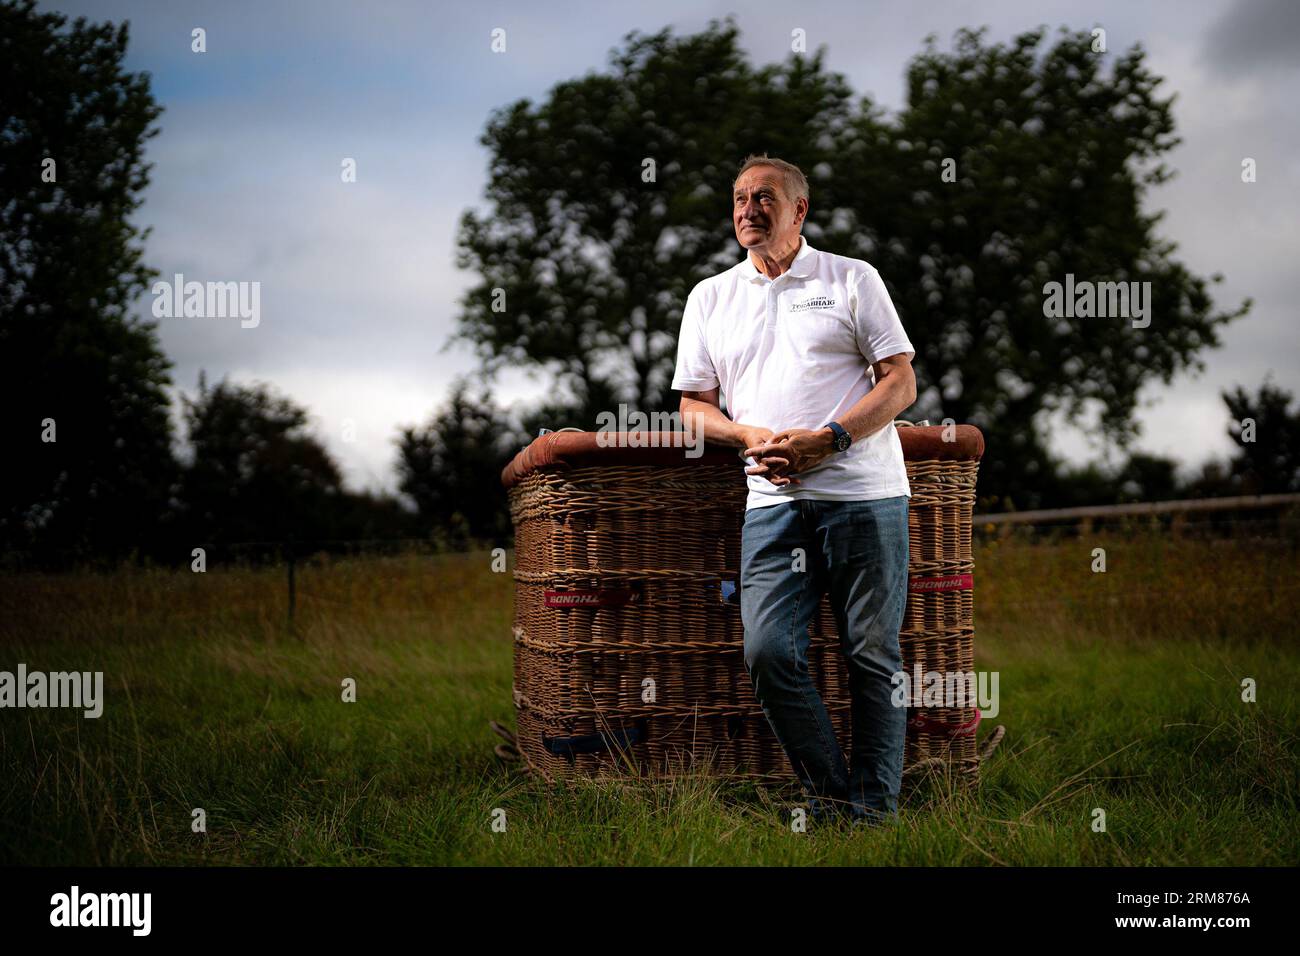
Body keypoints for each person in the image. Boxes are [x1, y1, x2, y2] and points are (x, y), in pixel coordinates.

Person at [671, 154, 917, 825]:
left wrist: (830, 439)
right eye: (740, 198)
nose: (749, 209)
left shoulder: (851, 279)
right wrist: (748, 435)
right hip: (772, 505)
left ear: (799, 210)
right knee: (769, 651)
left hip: (866, 496)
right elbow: (693, 406)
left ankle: (872, 816)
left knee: (871, 653)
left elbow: (901, 381)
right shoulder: (709, 297)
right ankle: (835, 799)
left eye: (765, 198)